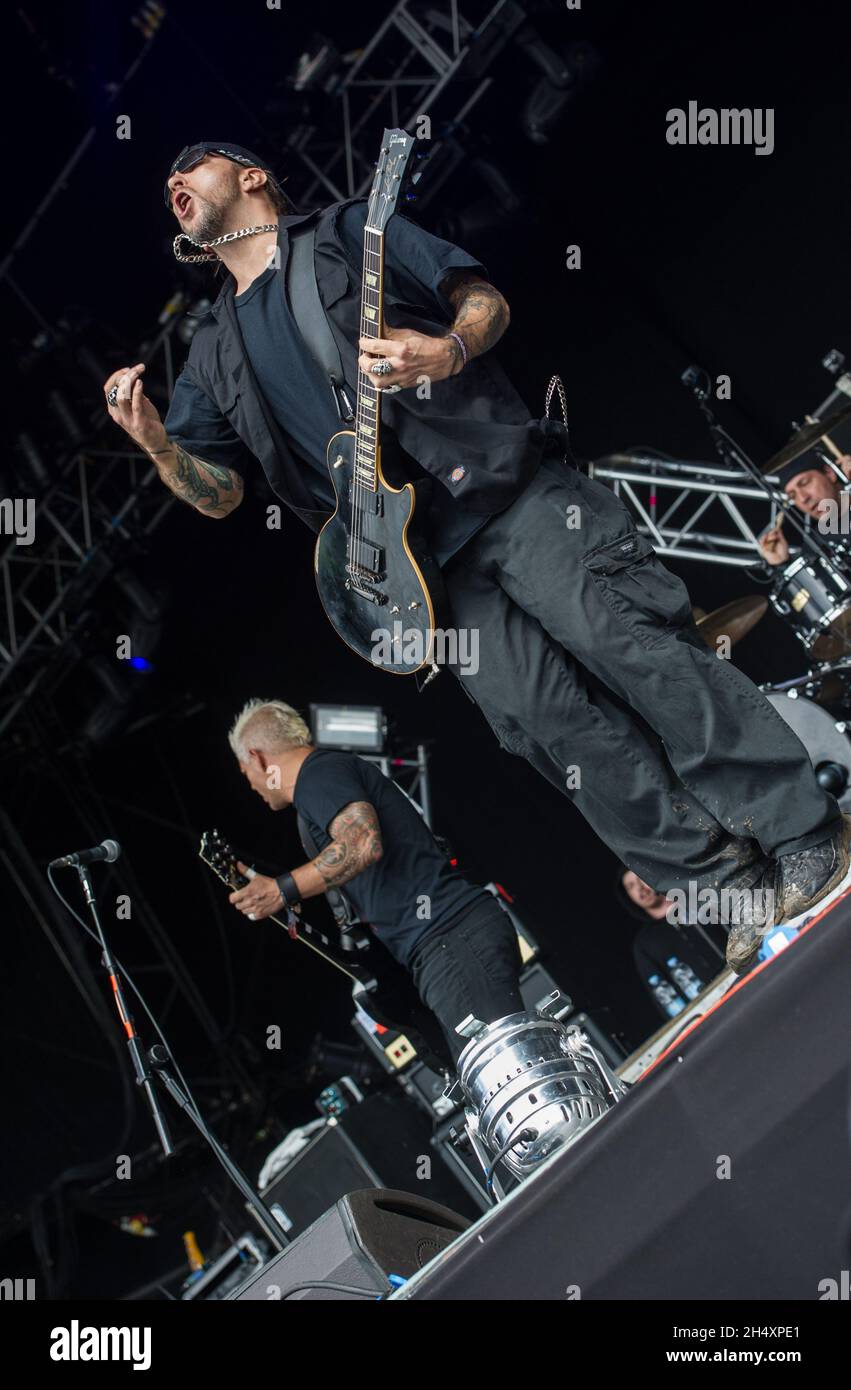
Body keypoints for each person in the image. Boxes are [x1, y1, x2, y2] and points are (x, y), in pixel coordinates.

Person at [103, 140, 851, 977]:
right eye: (166, 177)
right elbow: (220, 494)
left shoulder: (353, 232)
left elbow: (481, 299)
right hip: (426, 574)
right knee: (548, 729)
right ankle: (728, 889)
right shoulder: (213, 348)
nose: (172, 180)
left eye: (191, 164)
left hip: (511, 494)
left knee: (634, 650)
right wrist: (161, 446)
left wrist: (446, 350)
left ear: (248, 178)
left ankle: (800, 830)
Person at [225, 698, 524, 1067]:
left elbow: (363, 842)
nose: (252, 786)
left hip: (449, 939)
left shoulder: (316, 776)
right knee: (497, 1085)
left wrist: (283, 888)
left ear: (256, 758)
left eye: (244, 773)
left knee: (510, 1079)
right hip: (444, 945)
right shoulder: (323, 782)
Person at [615, 865, 726, 1019]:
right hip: (708, 1012)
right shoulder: (645, 943)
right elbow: (662, 995)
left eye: (640, 878)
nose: (640, 888)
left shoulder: (696, 903)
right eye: (631, 886)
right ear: (628, 896)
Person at [758, 452, 851, 566]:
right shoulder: (815, 546)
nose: (803, 498)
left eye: (804, 483)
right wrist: (783, 563)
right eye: (793, 496)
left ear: (829, 473)